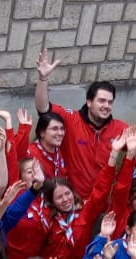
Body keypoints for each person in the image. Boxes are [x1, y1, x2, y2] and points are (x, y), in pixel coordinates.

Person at [32, 47, 127, 197]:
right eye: (101, 101)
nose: (106, 106)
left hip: (100, 205)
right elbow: (43, 109)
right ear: (89, 102)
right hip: (70, 201)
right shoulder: (71, 119)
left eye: (110, 102)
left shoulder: (120, 128)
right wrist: (43, 79)